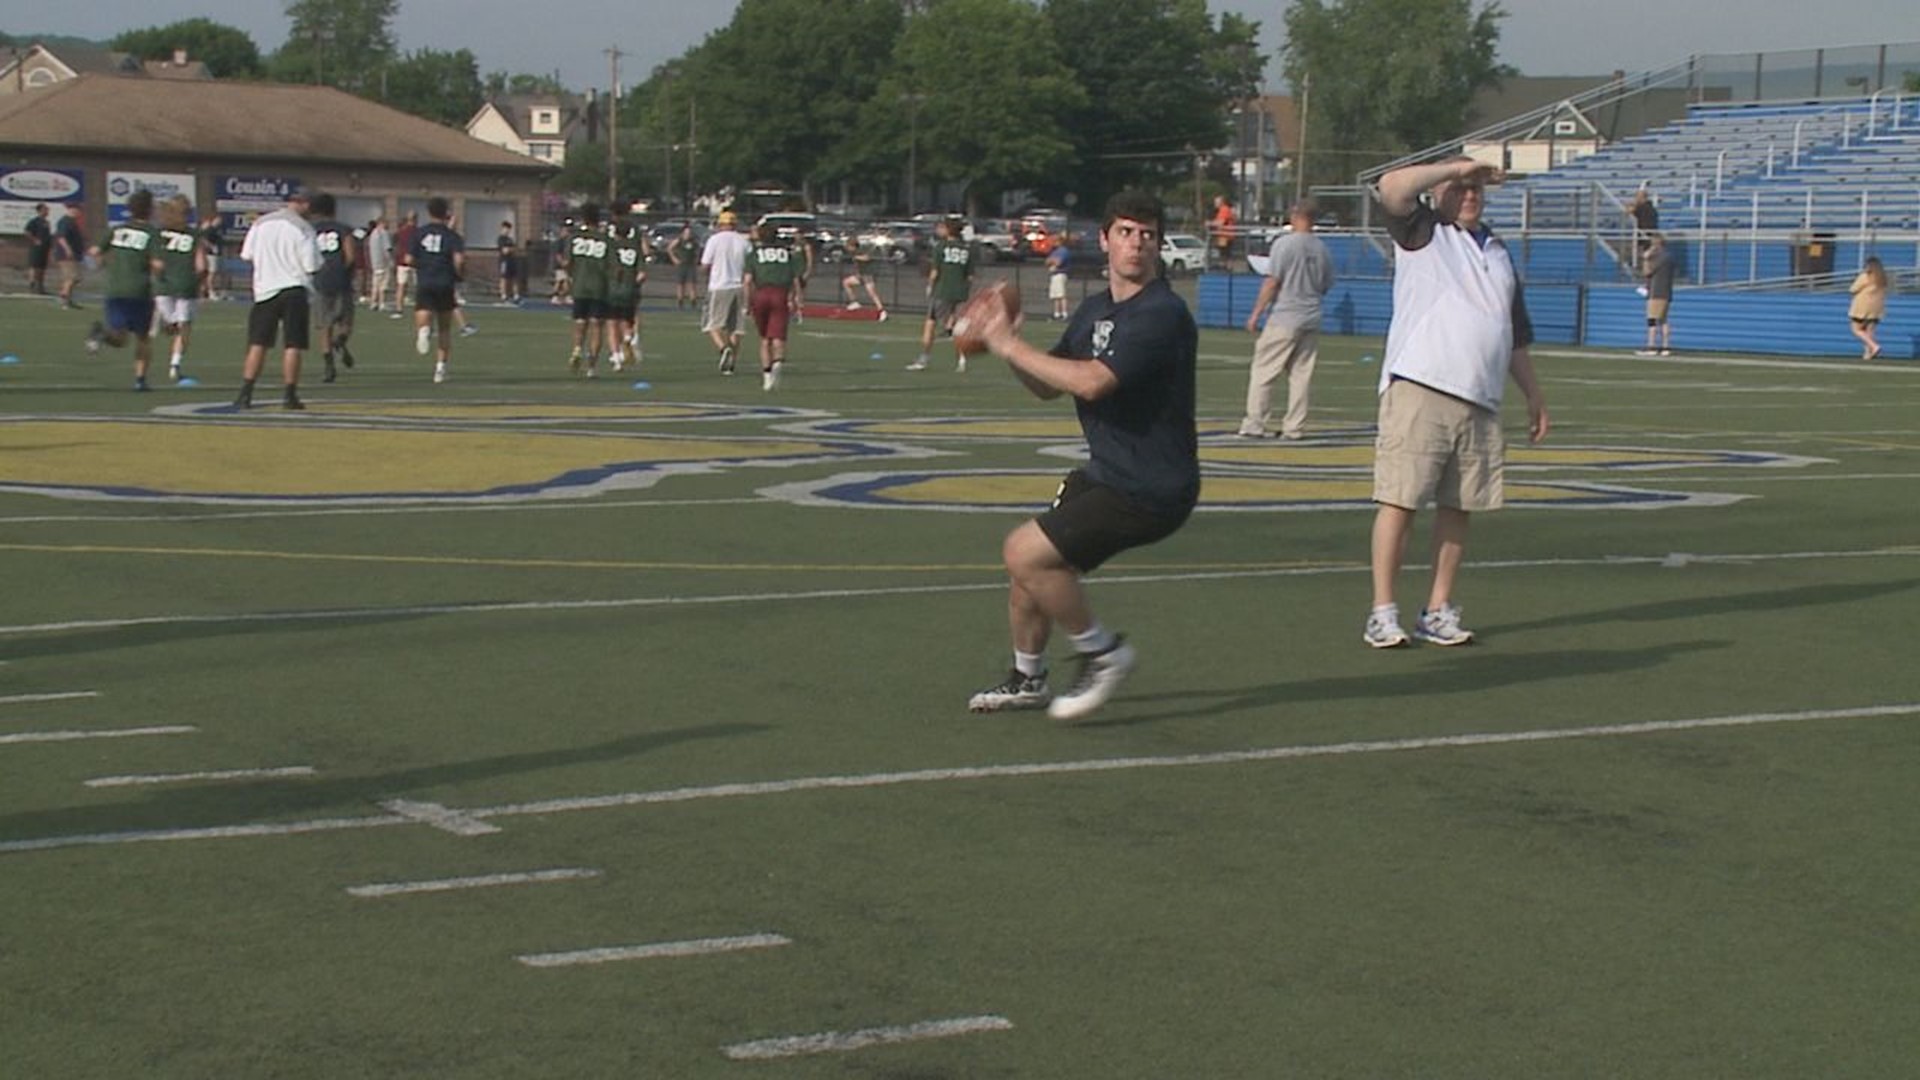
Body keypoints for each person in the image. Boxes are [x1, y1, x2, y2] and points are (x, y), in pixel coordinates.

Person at [963, 190, 1199, 722]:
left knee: (1024, 551)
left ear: (1159, 245)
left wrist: (1005, 345)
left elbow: (1092, 384)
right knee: (1030, 571)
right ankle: (1028, 677)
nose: (1137, 242)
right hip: (1108, 473)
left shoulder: (1161, 312)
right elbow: (1049, 385)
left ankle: (1103, 653)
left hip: (1151, 485)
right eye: (1126, 231)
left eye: (1148, 234)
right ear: (1105, 240)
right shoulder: (1096, 310)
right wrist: (1010, 345)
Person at [1363, 156, 1549, 650]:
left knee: (1459, 506)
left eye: (1476, 189)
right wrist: (1459, 166)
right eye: (1460, 188)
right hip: (1422, 384)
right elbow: (1390, 186)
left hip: (1481, 397)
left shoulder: (1497, 250)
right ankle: (1383, 610)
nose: (1470, 195)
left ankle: (1438, 607)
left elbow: (1514, 334)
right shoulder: (1423, 231)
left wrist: (1532, 394)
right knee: (1400, 499)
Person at [1239, 200, 1336, 440]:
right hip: (1311, 315)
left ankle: (1255, 423)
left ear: (1295, 216)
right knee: (1301, 376)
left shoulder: (1284, 244)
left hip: (1285, 315)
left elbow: (1273, 281)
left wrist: (1256, 314)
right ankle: (1294, 427)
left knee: (1264, 371)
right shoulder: (1322, 248)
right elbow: (1326, 284)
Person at [234, 188, 321, 410]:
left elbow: (247, 255)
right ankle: (289, 394)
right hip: (294, 287)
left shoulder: (260, 223)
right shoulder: (303, 228)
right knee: (293, 344)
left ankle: (246, 392)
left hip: (265, 289)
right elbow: (311, 265)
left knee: (258, 343)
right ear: (304, 204)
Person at [82, 189, 164, 391]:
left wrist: (105, 264)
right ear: (149, 209)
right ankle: (140, 380)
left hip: (114, 289)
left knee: (120, 338)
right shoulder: (151, 233)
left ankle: (101, 334)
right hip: (139, 290)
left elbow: (93, 252)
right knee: (143, 337)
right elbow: (158, 264)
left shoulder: (117, 229)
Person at [407, 196, 466, 384]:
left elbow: (408, 259)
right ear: (446, 213)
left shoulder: (419, 233)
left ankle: (423, 331)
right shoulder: (452, 236)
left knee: (423, 313)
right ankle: (440, 369)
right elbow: (459, 260)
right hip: (445, 281)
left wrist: (422, 265)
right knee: (444, 328)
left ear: (429, 212)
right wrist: (460, 274)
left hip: (425, 280)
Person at [151, 194, 207, 382]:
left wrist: (158, 278)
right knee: (185, 328)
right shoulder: (194, 235)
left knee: (174, 325)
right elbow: (202, 267)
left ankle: (167, 322)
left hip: (164, 286)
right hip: (186, 285)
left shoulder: (158, 234)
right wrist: (199, 284)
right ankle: (175, 364)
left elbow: (155, 263)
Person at [907, 216, 974, 372]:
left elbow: (935, 271)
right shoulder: (966, 249)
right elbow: (970, 276)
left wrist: (930, 286)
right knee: (942, 323)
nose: (939, 229)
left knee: (935, 324)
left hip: (942, 290)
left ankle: (926, 358)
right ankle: (955, 355)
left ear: (948, 229)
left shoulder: (941, 247)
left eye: (941, 227)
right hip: (960, 292)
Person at [308, 193, 358, 383]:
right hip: (341, 280)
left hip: (320, 280)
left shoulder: (311, 230)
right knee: (346, 322)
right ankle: (341, 341)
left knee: (324, 325)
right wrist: (347, 273)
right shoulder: (343, 229)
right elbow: (351, 255)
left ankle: (329, 366)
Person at [744, 223, 802, 391]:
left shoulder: (754, 254)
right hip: (780, 294)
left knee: (764, 339)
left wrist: (747, 303)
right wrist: (797, 298)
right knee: (778, 337)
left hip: (761, 294)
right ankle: (777, 364)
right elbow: (796, 279)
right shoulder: (787, 253)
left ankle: (767, 375)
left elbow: (747, 281)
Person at [562, 203, 610, 377]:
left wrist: (569, 276)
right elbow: (610, 265)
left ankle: (576, 350)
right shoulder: (605, 239)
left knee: (580, 322)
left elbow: (567, 263)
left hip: (580, 285)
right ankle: (592, 367)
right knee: (597, 326)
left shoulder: (574, 238)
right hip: (599, 287)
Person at [700, 210, 750, 373]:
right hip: (738, 286)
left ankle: (723, 348)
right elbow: (749, 266)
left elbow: (705, 265)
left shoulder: (714, 240)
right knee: (735, 328)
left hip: (719, 286)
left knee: (712, 325)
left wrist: (705, 273)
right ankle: (731, 364)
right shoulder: (743, 241)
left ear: (720, 224)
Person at [604, 207, 646, 372]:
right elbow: (642, 274)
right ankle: (629, 337)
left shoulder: (610, 247)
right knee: (627, 318)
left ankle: (616, 358)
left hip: (612, 289)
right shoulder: (635, 248)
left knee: (611, 323)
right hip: (629, 290)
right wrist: (633, 284)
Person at [1636, 232, 1675, 357]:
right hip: (1666, 292)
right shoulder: (1669, 257)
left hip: (1656, 292)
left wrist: (1646, 259)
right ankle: (1665, 346)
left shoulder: (1660, 258)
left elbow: (1647, 272)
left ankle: (1651, 346)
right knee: (1663, 320)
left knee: (1652, 320)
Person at [1849, 256, 1888, 360]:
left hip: (1863, 307)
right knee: (1869, 331)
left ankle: (1874, 346)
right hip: (1877, 307)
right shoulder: (1882, 278)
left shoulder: (1865, 276)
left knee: (1856, 329)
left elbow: (1853, 289)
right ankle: (1868, 353)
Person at [53, 203, 86, 310]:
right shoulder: (65, 221)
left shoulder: (72, 222)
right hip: (67, 256)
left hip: (75, 255)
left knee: (73, 278)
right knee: (72, 277)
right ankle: (63, 299)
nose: (80, 213)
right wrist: (68, 249)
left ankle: (67, 299)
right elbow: (61, 237)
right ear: (73, 210)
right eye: (78, 210)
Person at [840, 247, 888, 320]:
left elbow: (866, 258)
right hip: (861, 276)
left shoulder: (859, 251)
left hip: (867, 276)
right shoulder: (853, 253)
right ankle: (854, 302)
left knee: (872, 293)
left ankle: (882, 311)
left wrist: (857, 257)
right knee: (846, 282)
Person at [390, 210, 418, 316]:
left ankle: (399, 309)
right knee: (419, 287)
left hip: (401, 261)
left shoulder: (400, 232)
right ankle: (420, 307)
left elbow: (395, 246)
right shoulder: (418, 232)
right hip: (415, 262)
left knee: (401, 286)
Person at [669, 223, 700, 310]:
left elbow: (697, 251)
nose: (688, 235)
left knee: (692, 284)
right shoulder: (679, 240)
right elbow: (669, 248)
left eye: (689, 233)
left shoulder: (694, 241)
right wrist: (674, 259)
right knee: (680, 284)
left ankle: (693, 302)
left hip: (691, 265)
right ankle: (680, 301)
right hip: (681, 264)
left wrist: (696, 260)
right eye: (686, 233)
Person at [1626, 189, 1658, 272]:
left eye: (1637, 197)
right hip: (1651, 233)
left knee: (1644, 253)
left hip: (1644, 233)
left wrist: (1632, 205)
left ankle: (1640, 268)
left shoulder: (1642, 207)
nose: (1636, 199)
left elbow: (1628, 211)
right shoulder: (1651, 208)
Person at [363, 216, 392, 311]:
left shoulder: (373, 234)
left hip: (374, 262)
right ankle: (382, 303)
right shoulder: (383, 233)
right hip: (383, 262)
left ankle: (373, 302)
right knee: (383, 284)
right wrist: (390, 260)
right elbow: (387, 248)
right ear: (382, 223)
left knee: (375, 284)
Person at [24, 203, 52, 295]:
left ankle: (40, 287)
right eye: (45, 209)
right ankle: (32, 285)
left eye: (47, 209)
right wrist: (35, 240)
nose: (47, 211)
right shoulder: (34, 221)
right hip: (36, 248)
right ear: (40, 211)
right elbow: (27, 231)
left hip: (45, 248)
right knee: (34, 266)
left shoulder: (47, 222)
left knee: (42, 268)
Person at [201, 214, 228, 299]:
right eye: (217, 220)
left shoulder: (220, 229)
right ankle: (211, 292)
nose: (219, 221)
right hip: (211, 255)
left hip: (220, 254)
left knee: (224, 273)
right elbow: (203, 239)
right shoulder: (209, 230)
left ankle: (224, 293)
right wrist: (212, 247)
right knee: (212, 273)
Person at [1209, 194, 1237, 268]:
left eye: (1216, 202)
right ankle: (1225, 267)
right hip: (1224, 236)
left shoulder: (1224, 210)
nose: (1214, 204)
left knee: (1225, 254)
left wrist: (1209, 223)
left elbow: (1220, 222)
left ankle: (1226, 268)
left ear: (1221, 202)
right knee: (1224, 253)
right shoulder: (1221, 211)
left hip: (1226, 236)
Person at [497, 220, 522, 303]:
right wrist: (511, 249)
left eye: (508, 229)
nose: (507, 230)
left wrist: (512, 249)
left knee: (514, 278)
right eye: (505, 228)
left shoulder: (510, 239)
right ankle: (503, 295)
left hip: (512, 260)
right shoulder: (501, 239)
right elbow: (505, 251)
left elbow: (515, 249)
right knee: (504, 278)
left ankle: (516, 295)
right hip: (505, 261)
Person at [1045, 240, 1071, 320]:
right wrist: (1052, 261)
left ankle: (1064, 314)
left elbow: (1058, 262)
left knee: (1061, 295)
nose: (1053, 243)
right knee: (1055, 296)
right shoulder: (1054, 251)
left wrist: (1052, 261)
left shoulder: (1063, 251)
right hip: (1054, 275)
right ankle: (1056, 314)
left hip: (1060, 274)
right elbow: (1047, 261)